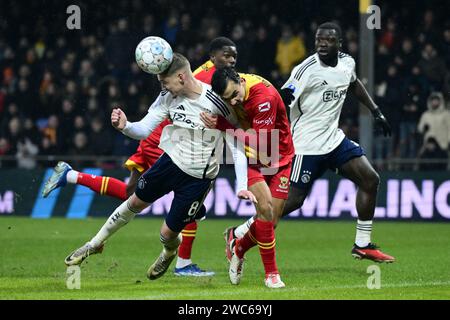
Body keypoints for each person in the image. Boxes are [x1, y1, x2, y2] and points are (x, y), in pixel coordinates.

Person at [42, 37, 238, 277]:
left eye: (164, 81)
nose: (162, 87)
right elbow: (143, 129)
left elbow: (238, 133)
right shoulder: (167, 98)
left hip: (198, 179)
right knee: (133, 201)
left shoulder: (216, 100)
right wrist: (125, 126)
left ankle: (169, 253)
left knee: (167, 235)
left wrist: (222, 127)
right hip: (169, 163)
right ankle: (93, 244)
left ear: (181, 77)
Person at [230, 22, 395, 263]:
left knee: (370, 179)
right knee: (288, 204)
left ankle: (362, 245)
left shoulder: (347, 62)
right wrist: (279, 100)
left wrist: (376, 110)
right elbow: (284, 95)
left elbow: (354, 83)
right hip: (305, 146)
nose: (322, 44)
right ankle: (238, 234)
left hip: (333, 139)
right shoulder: (305, 69)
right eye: (318, 40)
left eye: (328, 40)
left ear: (339, 43)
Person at [201, 67, 295, 288]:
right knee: (265, 209)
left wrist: (223, 125)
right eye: (228, 99)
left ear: (239, 80)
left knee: (270, 223)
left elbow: (262, 144)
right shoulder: (232, 91)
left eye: (235, 95)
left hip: (278, 156)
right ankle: (271, 274)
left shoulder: (264, 98)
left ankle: (238, 245)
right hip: (252, 160)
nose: (234, 102)